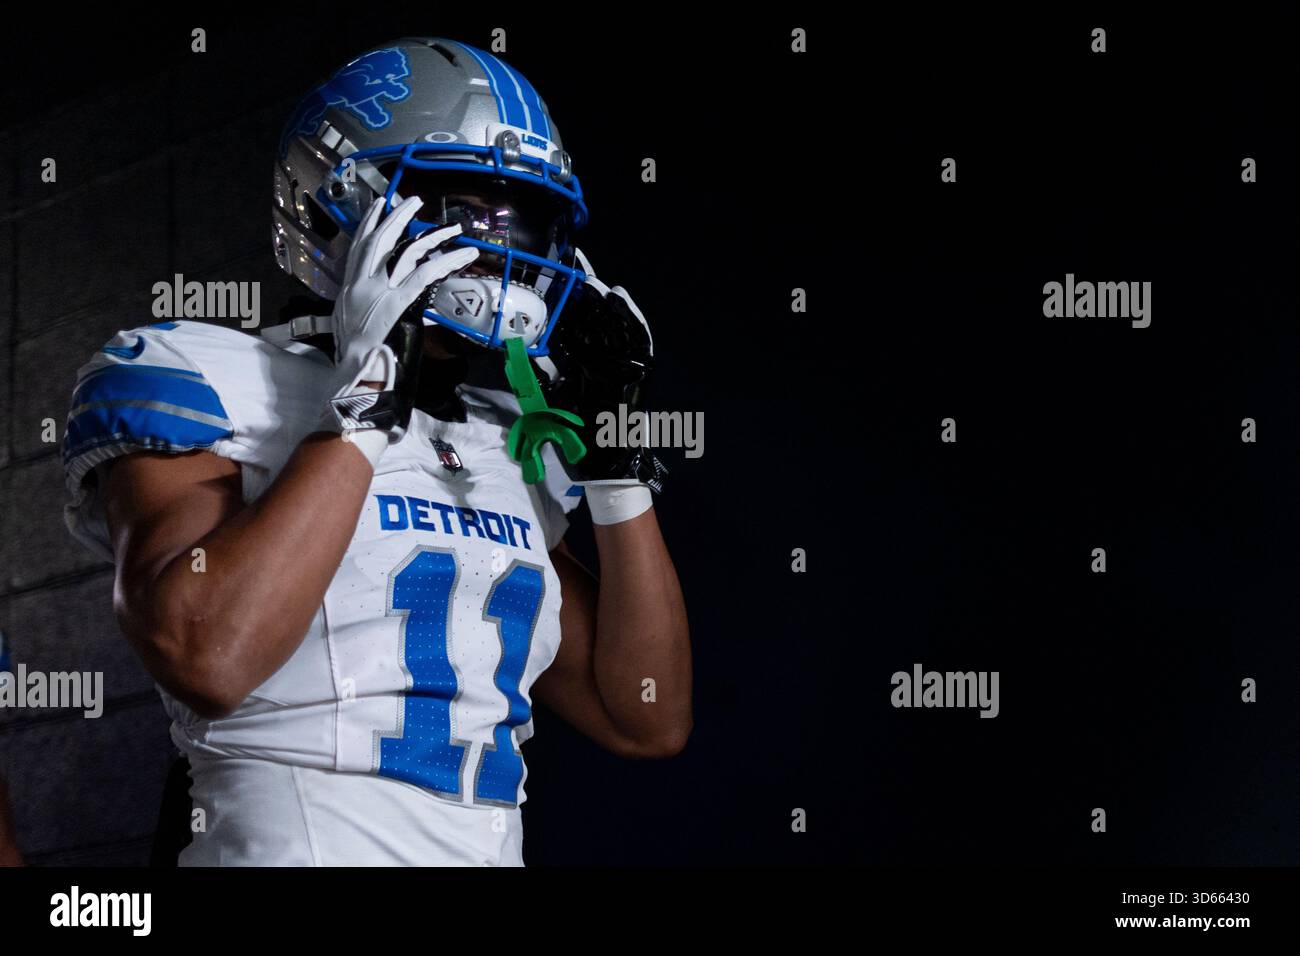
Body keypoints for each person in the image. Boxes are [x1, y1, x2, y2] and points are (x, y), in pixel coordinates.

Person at [62, 37, 691, 866]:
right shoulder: (207, 378)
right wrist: (360, 412)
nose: (501, 248)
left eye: (522, 220)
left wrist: (615, 471)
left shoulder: (501, 436)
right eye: (466, 213)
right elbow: (206, 657)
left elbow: (644, 716)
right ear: (334, 203)